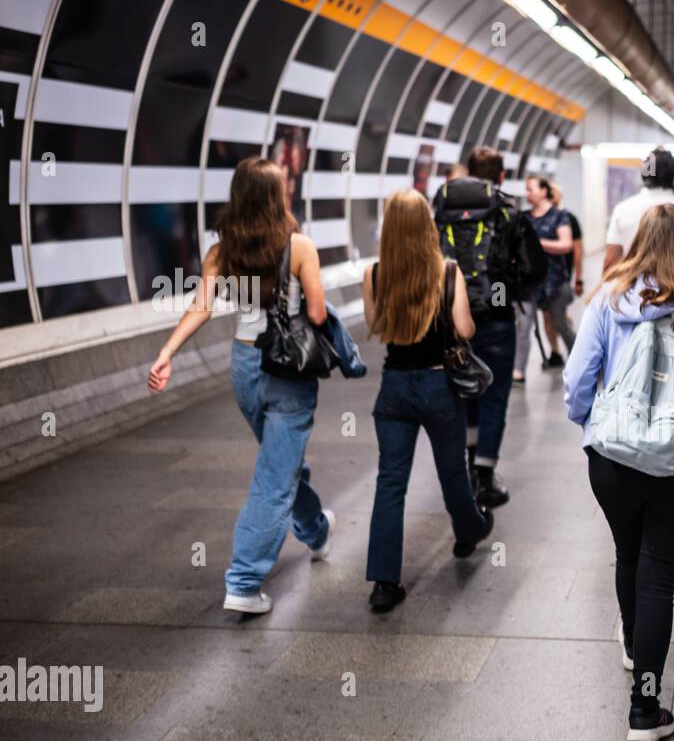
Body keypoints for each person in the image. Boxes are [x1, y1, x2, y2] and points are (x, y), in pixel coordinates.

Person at [563, 204, 674, 741]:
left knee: (626, 552)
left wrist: (592, 421)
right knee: (658, 577)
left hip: (612, 461)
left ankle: (634, 644)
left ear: (640, 241)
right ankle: (645, 709)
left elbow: (576, 383)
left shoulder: (608, 299)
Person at [147, 157, 336, 615]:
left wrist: (166, 352)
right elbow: (316, 314)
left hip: (245, 365)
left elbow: (201, 307)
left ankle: (315, 528)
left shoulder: (222, 250)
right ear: (278, 196)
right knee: (275, 477)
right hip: (288, 370)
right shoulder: (300, 247)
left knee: (281, 461)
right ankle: (244, 582)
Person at [363, 190, 492, 611]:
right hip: (439, 386)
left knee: (390, 482)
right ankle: (469, 531)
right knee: (452, 471)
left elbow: (376, 326)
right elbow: (465, 330)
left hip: (395, 388)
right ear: (428, 225)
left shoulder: (375, 273)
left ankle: (384, 582)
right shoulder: (448, 272)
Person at [432, 146, 546, 509]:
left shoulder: (443, 207)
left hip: (451, 314)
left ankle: (466, 465)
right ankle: (485, 478)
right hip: (495, 311)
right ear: (500, 176)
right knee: (494, 395)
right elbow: (532, 268)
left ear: (467, 171)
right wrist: (507, 291)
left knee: (463, 392)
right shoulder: (509, 210)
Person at [603, 147, 674, 272]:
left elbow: (611, 260)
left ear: (644, 175)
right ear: (673, 175)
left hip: (633, 286)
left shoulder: (622, 209)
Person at [514, 175, 574, 378]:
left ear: (543, 191)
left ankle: (579, 359)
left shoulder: (559, 216)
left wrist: (537, 243)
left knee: (559, 323)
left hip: (554, 282)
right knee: (523, 324)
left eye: (531, 189)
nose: (528, 194)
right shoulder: (523, 217)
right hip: (529, 282)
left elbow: (566, 245)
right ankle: (518, 370)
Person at [542, 182, 583, 363]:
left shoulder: (569, 219)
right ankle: (555, 352)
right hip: (543, 277)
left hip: (562, 276)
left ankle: (576, 354)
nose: (552, 194)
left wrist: (579, 278)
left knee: (558, 318)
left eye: (554, 191)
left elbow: (577, 249)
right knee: (547, 315)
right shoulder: (541, 219)